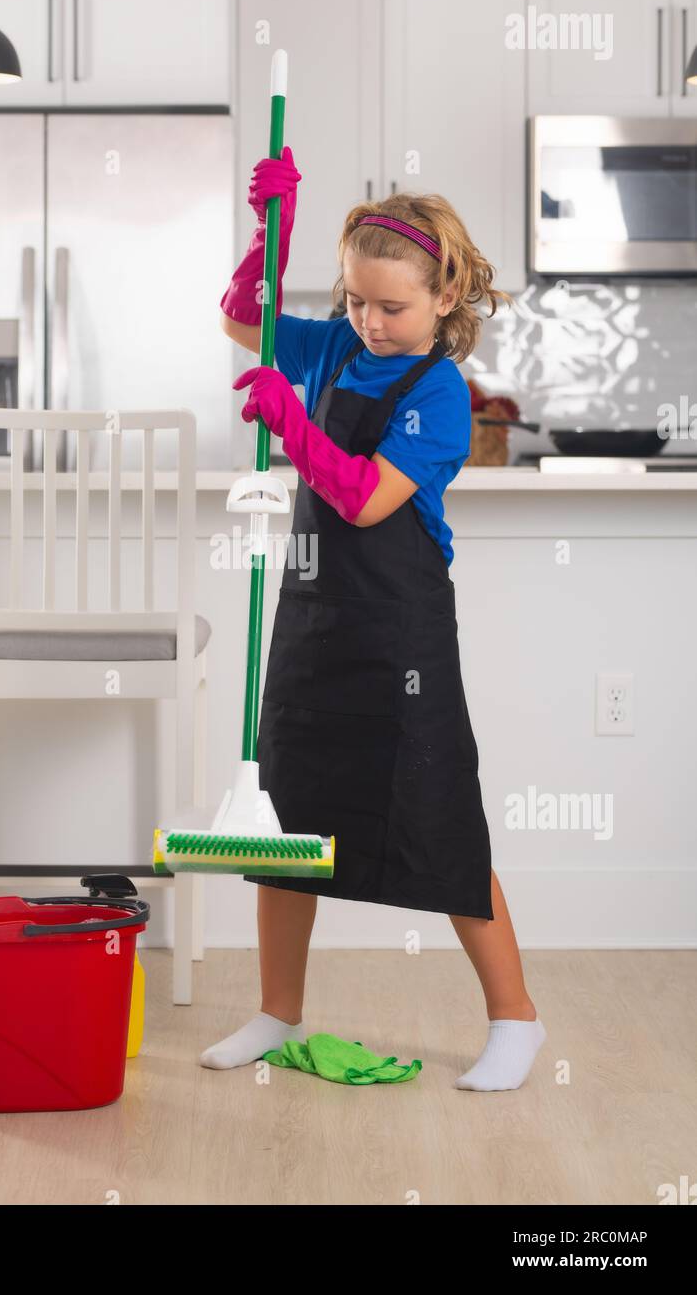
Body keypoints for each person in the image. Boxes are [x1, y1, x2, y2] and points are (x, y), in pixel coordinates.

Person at [204, 147, 546, 1091]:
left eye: (390, 306)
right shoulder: (339, 348)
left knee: (440, 822)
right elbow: (245, 322)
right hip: (316, 626)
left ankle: (516, 1021)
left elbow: (361, 499)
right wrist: (266, 239)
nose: (369, 321)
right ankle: (278, 1012)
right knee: (287, 822)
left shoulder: (437, 392)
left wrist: (291, 425)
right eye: (355, 300)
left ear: (442, 301)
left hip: (400, 637)